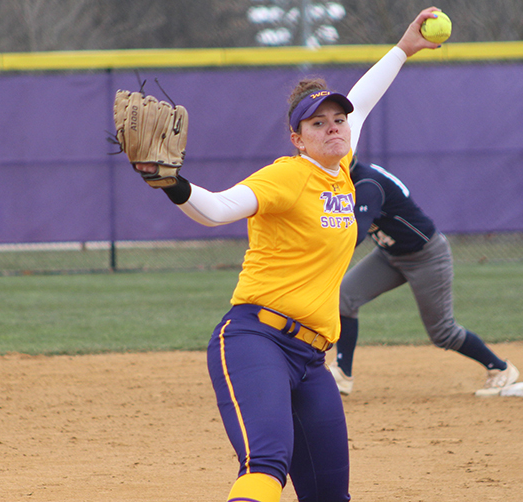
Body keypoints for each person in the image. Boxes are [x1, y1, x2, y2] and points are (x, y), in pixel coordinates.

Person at [133, 8, 442, 502]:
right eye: (318, 124)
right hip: (256, 340)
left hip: (311, 357)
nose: (334, 127)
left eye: (338, 120)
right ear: (298, 139)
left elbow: (363, 98)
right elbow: (217, 210)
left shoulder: (338, 167)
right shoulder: (287, 176)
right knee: (266, 464)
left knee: (328, 494)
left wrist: (404, 49)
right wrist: (173, 184)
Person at [328, 158, 520, 396]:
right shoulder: (342, 179)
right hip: (389, 255)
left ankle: (500, 368)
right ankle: (343, 375)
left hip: (426, 256)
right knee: (344, 298)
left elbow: (355, 233)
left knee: (443, 332)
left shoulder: (367, 184)